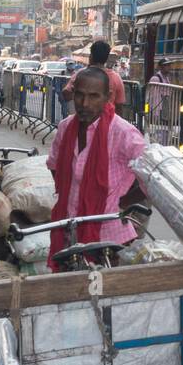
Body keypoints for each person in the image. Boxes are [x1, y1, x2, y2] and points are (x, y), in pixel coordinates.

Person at [46, 68, 150, 271]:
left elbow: (151, 175)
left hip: (110, 237)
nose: (85, 104)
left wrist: (122, 203)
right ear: (73, 94)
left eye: (94, 96)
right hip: (69, 227)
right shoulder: (66, 128)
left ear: (107, 98)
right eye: (80, 95)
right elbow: (54, 166)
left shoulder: (123, 132)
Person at [64, 41, 128, 114]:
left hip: (85, 119)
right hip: (108, 121)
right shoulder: (116, 78)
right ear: (107, 58)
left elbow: (66, 94)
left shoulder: (81, 74)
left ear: (91, 56)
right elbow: (119, 106)